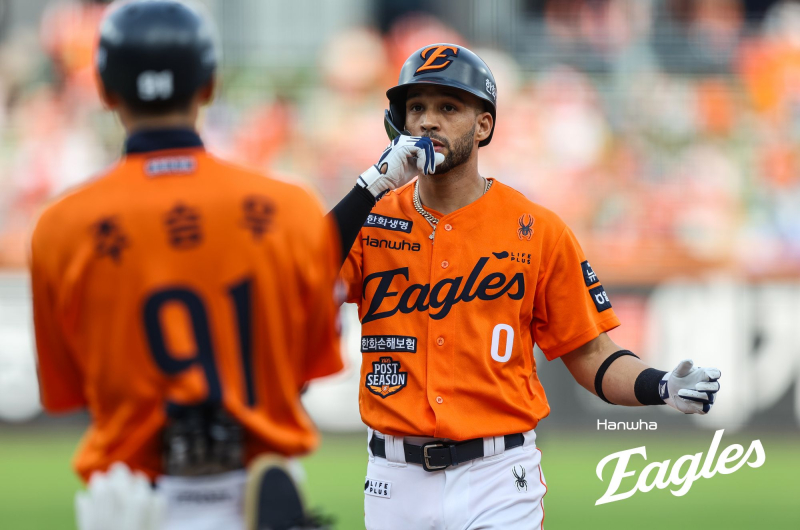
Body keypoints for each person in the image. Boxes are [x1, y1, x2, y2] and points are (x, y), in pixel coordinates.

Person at [329, 43, 722, 530]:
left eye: (448, 107)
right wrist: (370, 186)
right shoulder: (370, 219)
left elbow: (592, 354)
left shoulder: (537, 228)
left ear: (483, 125)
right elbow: (301, 280)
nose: (428, 121)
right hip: (394, 480)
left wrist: (660, 385)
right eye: (417, 108)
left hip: (498, 477)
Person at [29, 2, 341, 529]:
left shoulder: (60, 225)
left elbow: (69, 388)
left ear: (104, 90)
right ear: (209, 85)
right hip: (263, 494)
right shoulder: (292, 208)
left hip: (131, 501)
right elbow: (308, 366)